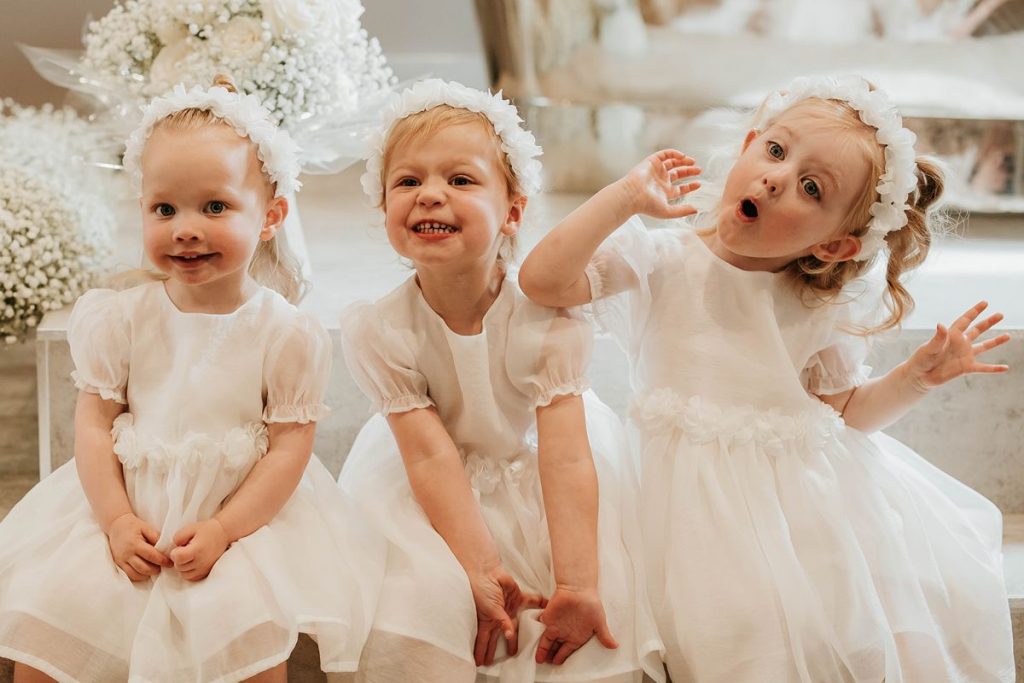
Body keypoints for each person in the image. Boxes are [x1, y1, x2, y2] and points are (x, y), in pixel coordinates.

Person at [519, 75, 1015, 683]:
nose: (776, 178)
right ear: (750, 143)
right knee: (728, 634)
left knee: (827, 632)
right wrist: (623, 197)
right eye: (776, 151)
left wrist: (916, 378)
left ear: (835, 245)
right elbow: (541, 280)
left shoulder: (815, 304)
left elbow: (846, 412)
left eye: (811, 187)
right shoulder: (662, 257)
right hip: (681, 499)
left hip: (798, 499)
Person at [0, 77, 379, 683]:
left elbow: (289, 450)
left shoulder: (283, 332)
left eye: (215, 207)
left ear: (270, 216)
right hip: (124, 504)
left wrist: (226, 528)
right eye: (164, 208)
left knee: (245, 635)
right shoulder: (120, 318)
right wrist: (119, 520)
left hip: (238, 516)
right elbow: (94, 427)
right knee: (55, 622)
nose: (185, 228)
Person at [338, 79, 663, 683]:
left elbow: (566, 461)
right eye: (408, 182)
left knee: (594, 605)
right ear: (383, 208)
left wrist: (577, 581)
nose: (430, 196)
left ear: (513, 211)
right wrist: (480, 567)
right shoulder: (379, 331)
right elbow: (432, 460)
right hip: (432, 474)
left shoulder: (548, 321)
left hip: (543, 459)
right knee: (414, 604)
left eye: (460, 180)